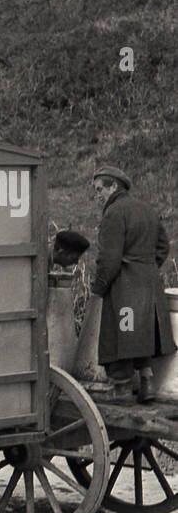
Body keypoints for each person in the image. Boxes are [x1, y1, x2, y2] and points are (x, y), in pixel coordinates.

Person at [88, 165, 174, 402]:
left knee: (119, 335)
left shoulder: (114, 213)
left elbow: (109, 259)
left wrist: (99, 287)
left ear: (113, 186)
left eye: (99, 190)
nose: (97, 197)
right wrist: (145, 268)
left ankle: (122, 388)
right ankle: (146, 383)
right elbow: (163, 248)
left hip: (124, 287)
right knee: (140, 333)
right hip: (149, 285)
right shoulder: (147, 209)